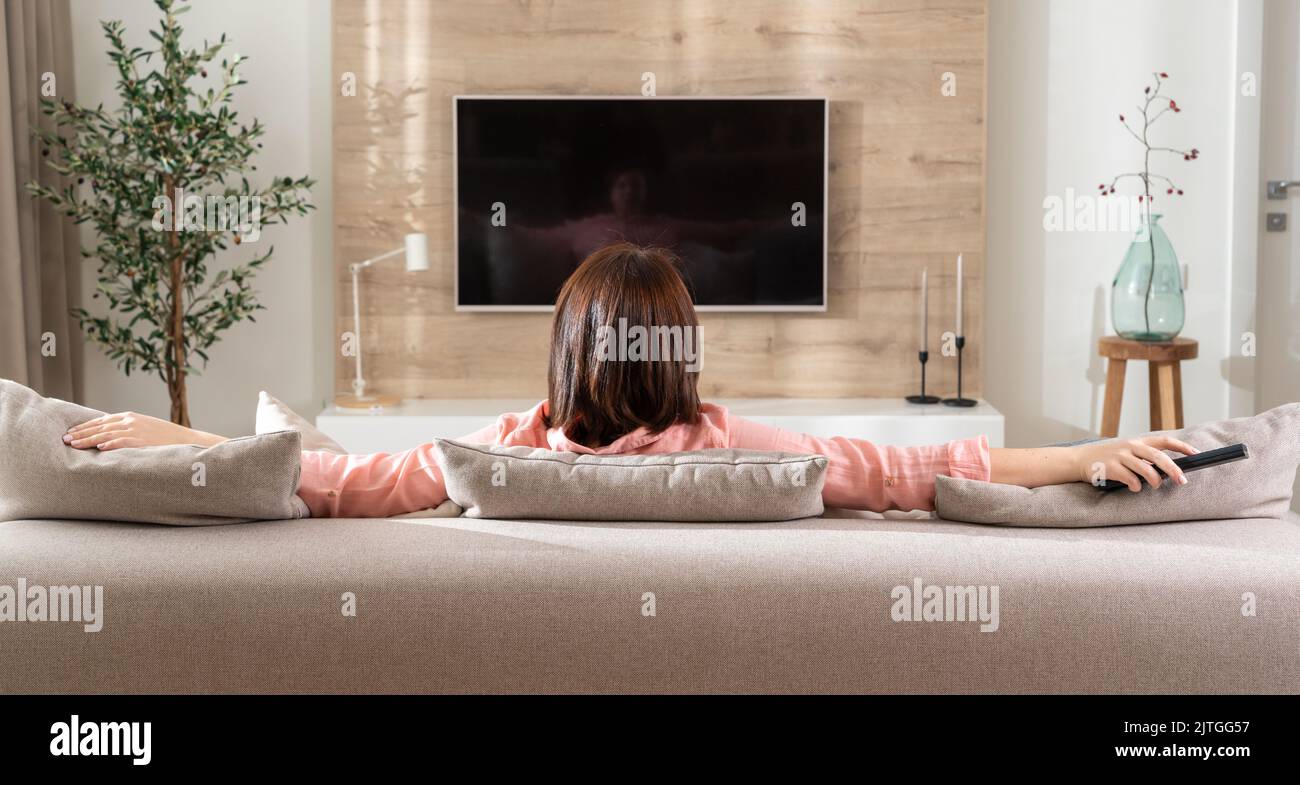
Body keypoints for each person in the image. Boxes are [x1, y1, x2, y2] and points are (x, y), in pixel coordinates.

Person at [62, 243, 1196, 518]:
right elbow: (921, 467)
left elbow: (330, 479)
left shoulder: (487, 456)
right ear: (683, 355)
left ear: (565, 352)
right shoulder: (757, 453)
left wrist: (180, 444)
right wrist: (1080, 455)